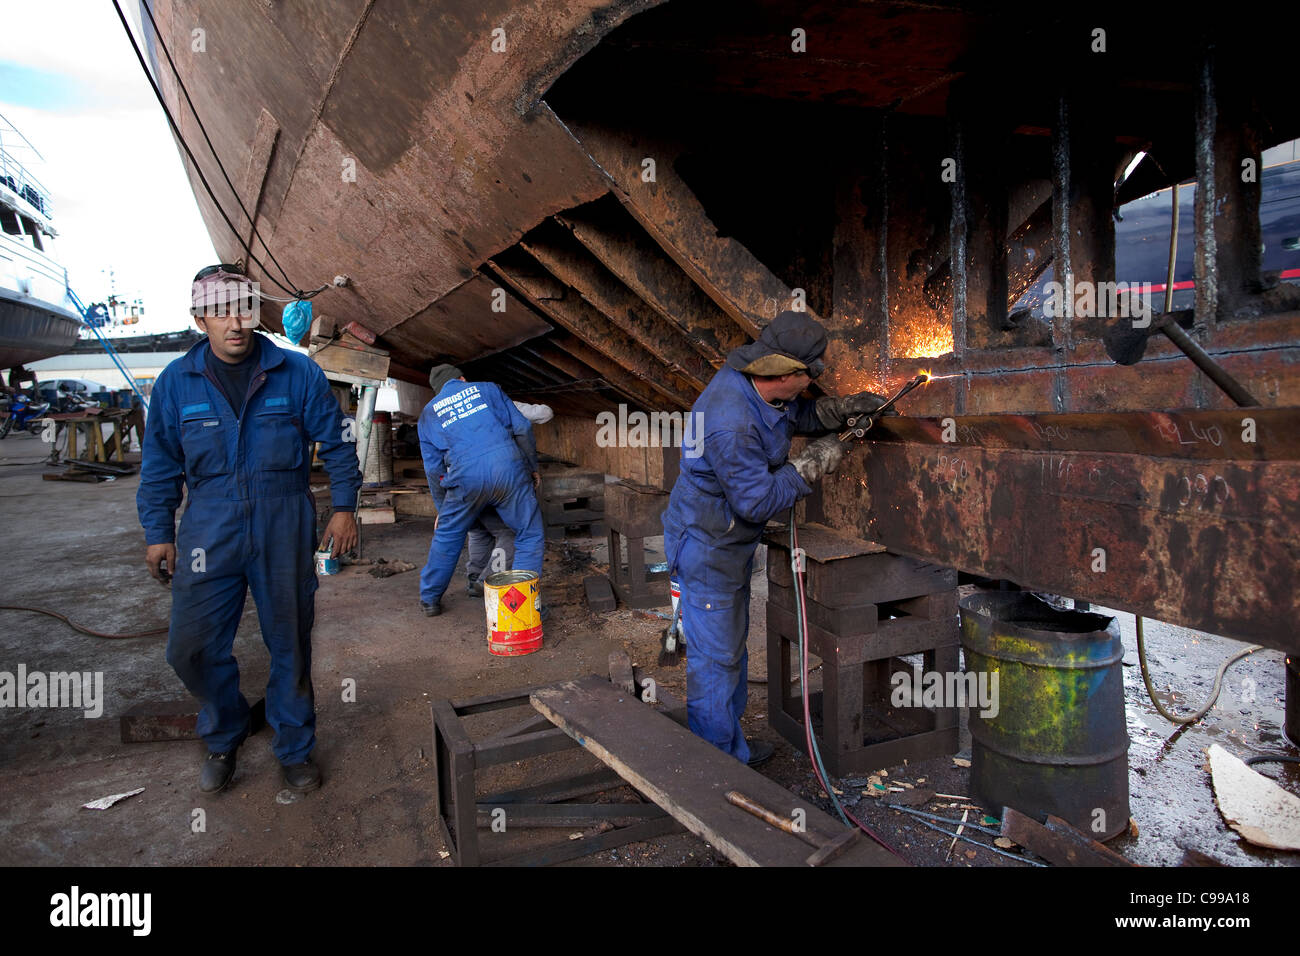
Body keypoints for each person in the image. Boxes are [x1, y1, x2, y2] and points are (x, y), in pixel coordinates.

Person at [137, 264, 361, 794]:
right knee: (188, 649)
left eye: (242, 309)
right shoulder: (176, 382)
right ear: (199, 319)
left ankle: (295, 746)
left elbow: (337, 442)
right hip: (208, 528)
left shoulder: (297, 371)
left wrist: (345, 507)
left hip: (284, 518)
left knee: (290, 644)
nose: (233, 322)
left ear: (257, 313)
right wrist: (157, 530)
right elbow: (160, 464)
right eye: (218, 312)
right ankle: (226, 729)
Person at [661, 310, 888, 766]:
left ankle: (730, 746)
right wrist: (816, 461)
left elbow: (791, 413)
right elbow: (757, 502)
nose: (811, 384)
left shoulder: (755, 386)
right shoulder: (732, 422)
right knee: (716, 657)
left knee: (728, 646)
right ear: (788, 372)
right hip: (709, 544)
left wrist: (835, 411)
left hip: (724, 538)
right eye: (811, 376)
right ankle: (718, 768)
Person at [417, 365, 544, 616]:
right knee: (529, 534)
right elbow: (522, 428)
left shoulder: (428, 414)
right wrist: (531, 467)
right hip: (507, 467)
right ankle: (518, 605)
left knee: (448, 536)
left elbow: (433, 469)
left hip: (465, 478)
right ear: (462, 379)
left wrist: (443, 511)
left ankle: (430, 599)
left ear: (438, 391)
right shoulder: (488, 389)